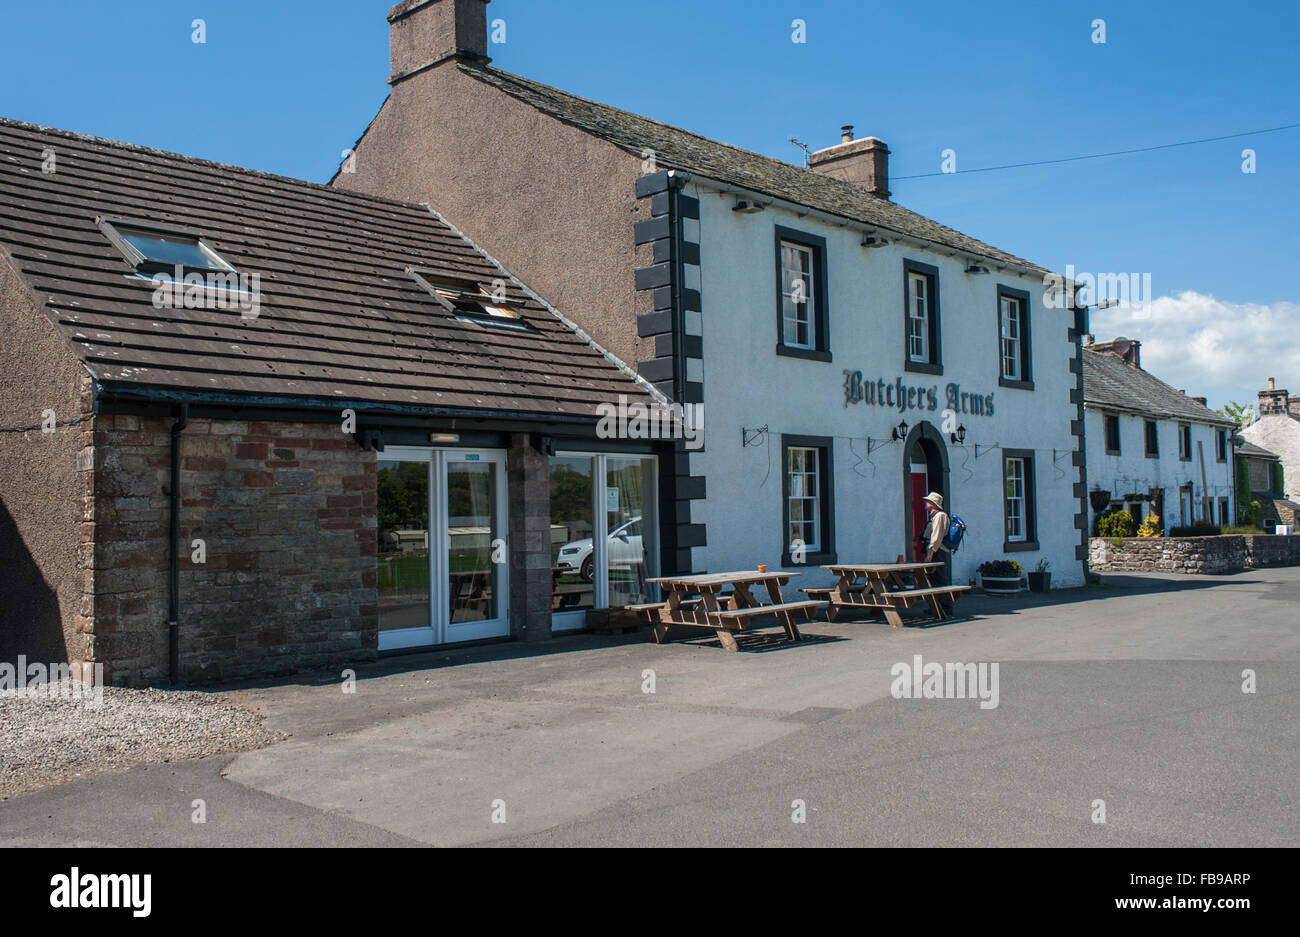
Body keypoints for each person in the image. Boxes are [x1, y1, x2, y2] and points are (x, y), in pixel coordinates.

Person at [920, 492, 956, 616]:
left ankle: (946, 608)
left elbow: (936, 536)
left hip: (938, 552)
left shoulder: (940, 516)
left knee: (940, 579)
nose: (925, 503)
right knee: (934, 580)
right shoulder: (934, 516)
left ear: (934, 504)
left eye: (928, 501)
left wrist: (930, 553)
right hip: (936, 551)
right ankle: (936, 607)